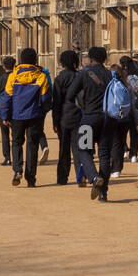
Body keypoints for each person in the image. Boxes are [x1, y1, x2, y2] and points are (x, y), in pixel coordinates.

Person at [4, 47, 51, 188]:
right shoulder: (41, 76)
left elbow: (7, 98)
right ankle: (31, 178)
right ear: (35, 60)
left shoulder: (13, 76)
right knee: (32, 146)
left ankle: (18, 170)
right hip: (35, 115)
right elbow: (46, 98)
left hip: (17, 115)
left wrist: (5, 115)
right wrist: (42, 111)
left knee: (17, 143)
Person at [69, 48, 110, 199]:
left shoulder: (85, 73)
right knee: (104, 155)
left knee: (84, 150)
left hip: (89, 117)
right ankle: (103, 193)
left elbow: (70, 94)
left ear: (91, 59)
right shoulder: (110, 74)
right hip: (107, 119)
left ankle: (93, 177)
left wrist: (82, 103)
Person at [53, 50, 81, 185]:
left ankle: (62, 178)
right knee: (79, 148)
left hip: (64, 116)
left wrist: (55, 121)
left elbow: (56, 102)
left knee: (63, 149)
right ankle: (81, 176)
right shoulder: (80, 76)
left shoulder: (59, 78)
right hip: (79, 116)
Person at [0, 57, 15, 166]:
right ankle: (17, 156)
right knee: (15, 136)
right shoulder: (17, 77)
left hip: (3, 110)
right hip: (16, 110)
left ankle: (7, 158)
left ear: (4, 66)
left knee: (4, 135)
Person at [121, 56, 138, 164]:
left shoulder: (120, 76)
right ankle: (133, 154)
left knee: (122, 131)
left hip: (123, 107)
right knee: (134, 132)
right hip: (134, 106)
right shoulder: (135, 75)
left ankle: (124, 150)